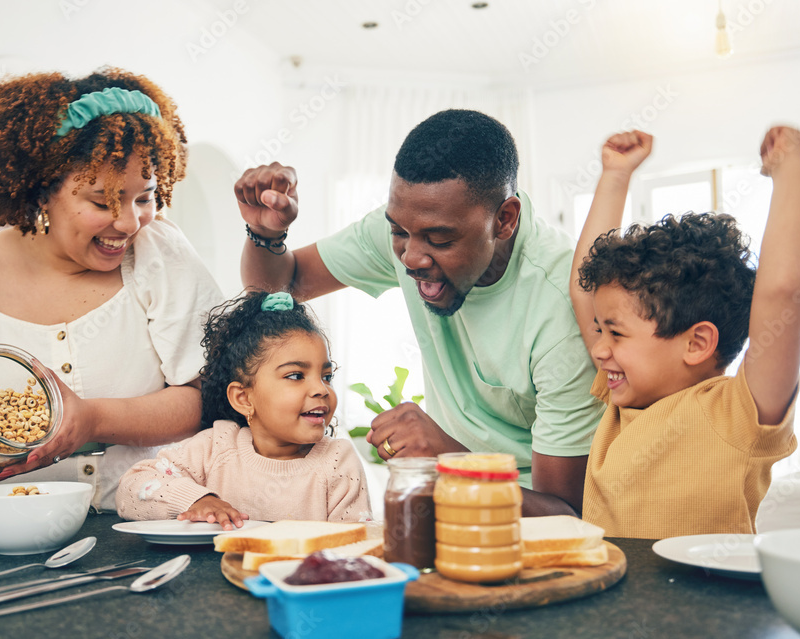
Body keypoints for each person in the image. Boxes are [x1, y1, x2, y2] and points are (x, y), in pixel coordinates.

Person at [0, 67, 224, 511]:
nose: (129, 222)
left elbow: (208, 398)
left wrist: (92, 419)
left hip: (152, 517)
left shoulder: (161, 254)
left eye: (144, 197)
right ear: (40, 193)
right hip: (6, 528)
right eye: (102, 202)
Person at [235, 109, 605, 517]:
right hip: (453, 503)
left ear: (504, 219)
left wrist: (449, 459)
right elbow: (278, 288)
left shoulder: (561, 310)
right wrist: (266, 234)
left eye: (439, 239)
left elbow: (566, 516)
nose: (410, 257)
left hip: (526, 526)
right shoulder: (414, 225)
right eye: (398, 232)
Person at [572, 127, 800, 538]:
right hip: (612, 600)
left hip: (705, 604)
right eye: (601, 330)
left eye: (616, 334)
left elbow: (785, 295)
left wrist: (789, 167)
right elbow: (584, 291)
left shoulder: (737, 412)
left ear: (697, 343)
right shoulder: (623, 402)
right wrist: (615, 176)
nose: (599, 349)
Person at [116, 290, 371, 527]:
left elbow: (355, 547)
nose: (321, 389)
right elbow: (131, 489)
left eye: (326, 376)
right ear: (243, 398)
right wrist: (197, 501)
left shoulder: (338, 461)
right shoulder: (215, 447)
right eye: (295, 376)